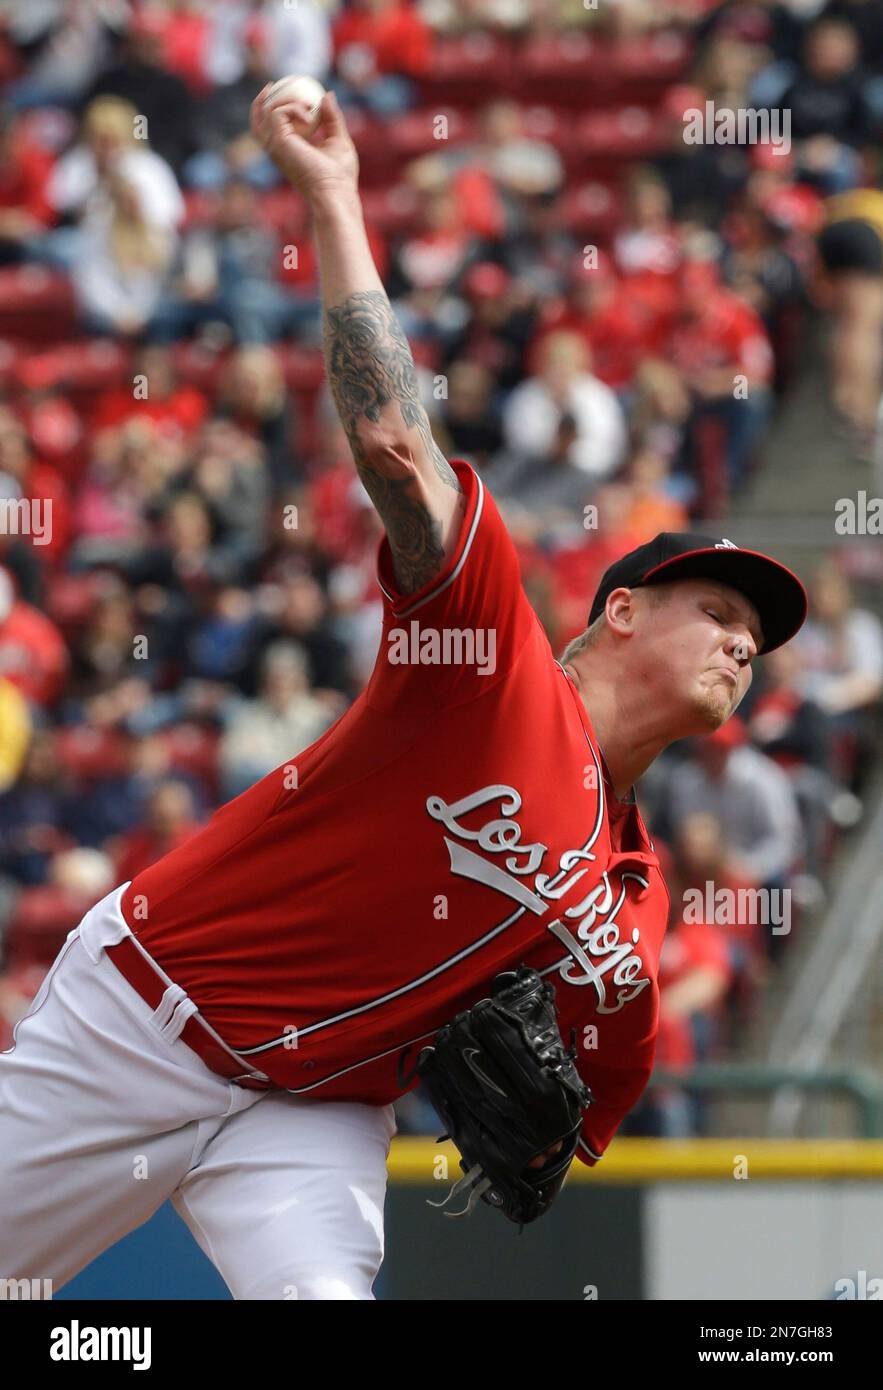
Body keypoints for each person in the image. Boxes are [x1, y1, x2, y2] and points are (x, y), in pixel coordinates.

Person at [0, 85, 809, 1301]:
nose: (744, 646)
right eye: (724, 612)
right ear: (622, 609)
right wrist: (331, 194)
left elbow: (573, 1118)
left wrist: (541, 1127)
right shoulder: (489, 667)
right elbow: (391, 442)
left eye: (759, 639)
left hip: (315, 1108)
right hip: (142, 1020)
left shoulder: (635, 905)